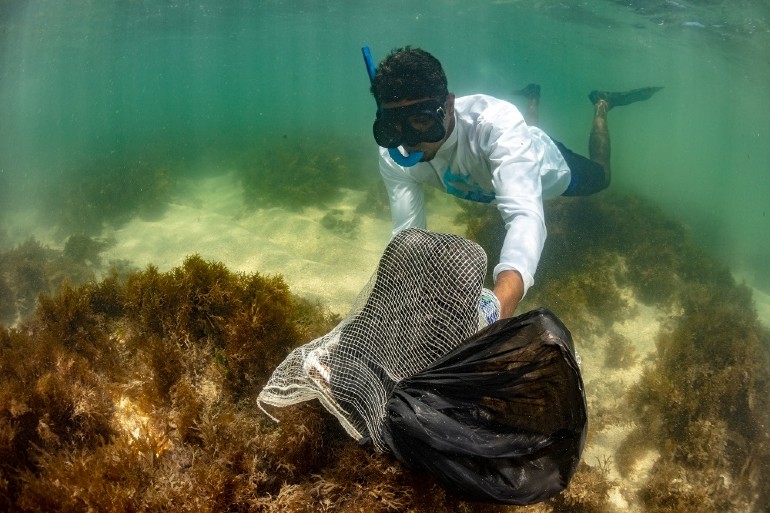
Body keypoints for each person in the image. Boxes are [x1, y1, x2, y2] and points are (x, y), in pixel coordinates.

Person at [369, 46, 661, 319]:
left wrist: (495, 309)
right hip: (519, 142)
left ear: (449, 104)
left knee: (602, 176)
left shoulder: (496, 128)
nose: (409, 139)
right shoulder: (394, 155)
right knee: (527, 131)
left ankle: (602, 104)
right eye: (394, 124)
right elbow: (408, 238)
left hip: (551, 167)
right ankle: (533, 98)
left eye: (421, 120)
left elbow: (525, 218)